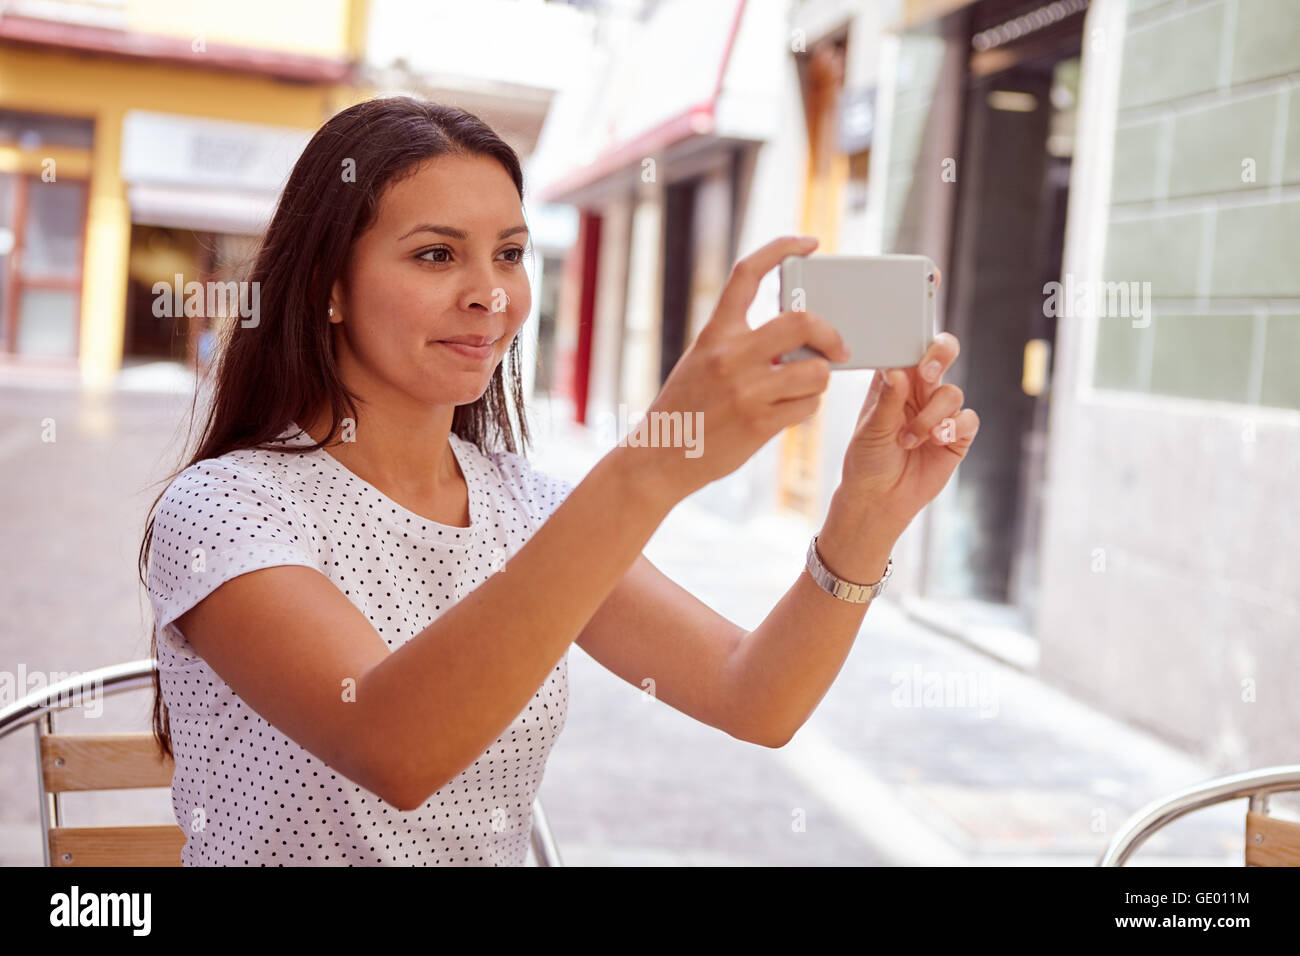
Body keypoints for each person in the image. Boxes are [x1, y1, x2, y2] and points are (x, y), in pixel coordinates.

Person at [139, 94, 978, 867]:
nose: (490, 295)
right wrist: (648, 468)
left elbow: (754, 696)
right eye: (436, 255)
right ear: (329, 288)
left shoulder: (521, 503)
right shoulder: (225, 509)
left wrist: (864, 521)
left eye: (509, 254)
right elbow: (394, 748)